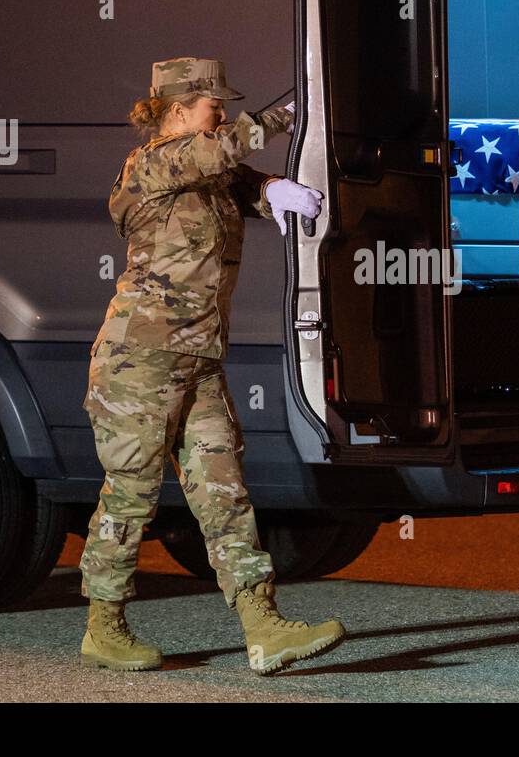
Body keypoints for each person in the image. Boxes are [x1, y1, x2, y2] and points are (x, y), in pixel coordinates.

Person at [78, 56, 344, 675]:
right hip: (138, 364)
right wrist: (291, 110)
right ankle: (104, 627)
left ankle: (262, 626)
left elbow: (235, 174)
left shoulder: (206, 173)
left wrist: (272, 187)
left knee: (224, 493)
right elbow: (220, 153)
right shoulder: (153, 163)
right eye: (210, 104)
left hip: (197, 361)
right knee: (133, 493)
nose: (219, 111)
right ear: (175, 111)